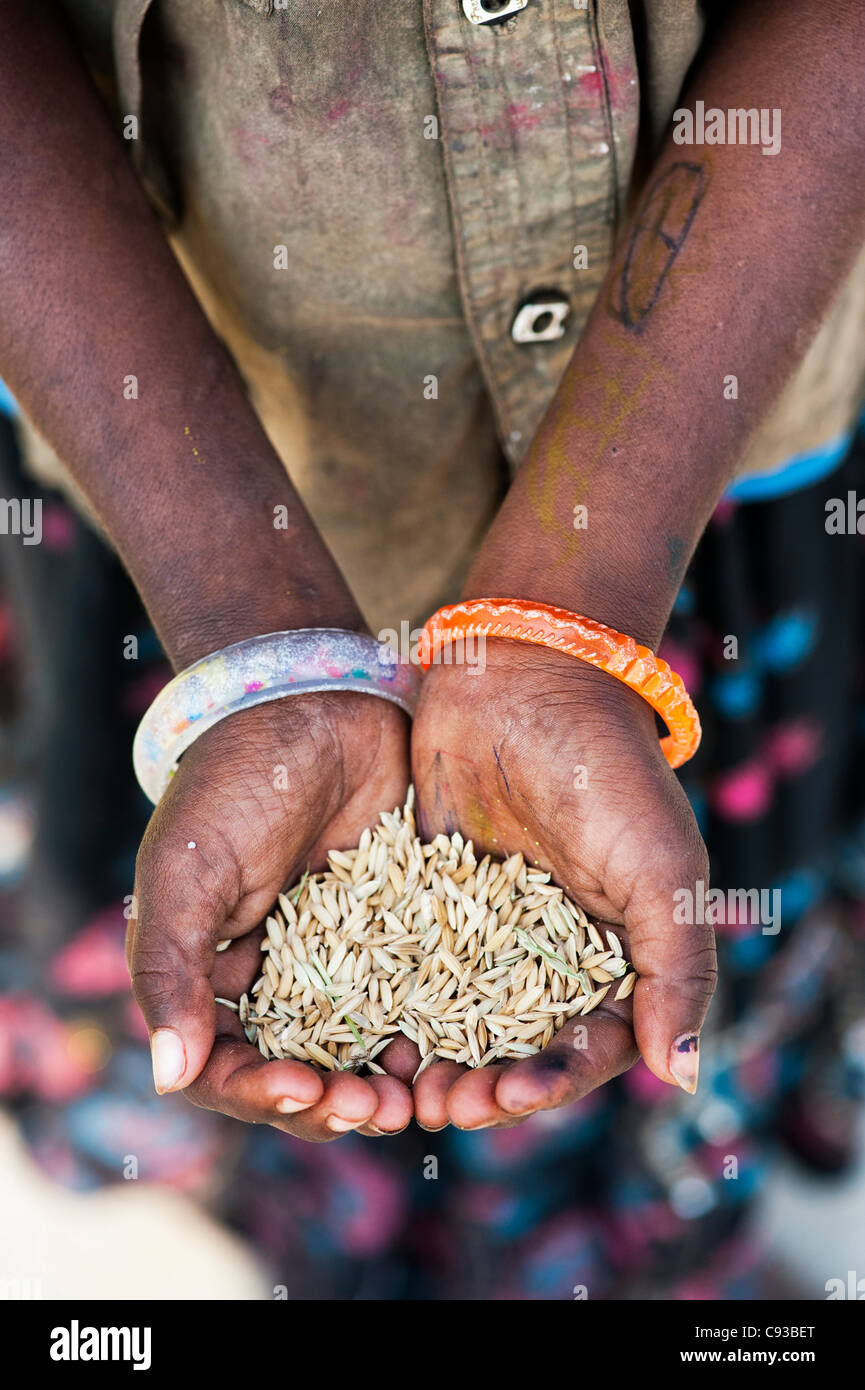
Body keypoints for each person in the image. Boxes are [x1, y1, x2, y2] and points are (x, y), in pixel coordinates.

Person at [1, 0, 864, 1297]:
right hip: (163, 471)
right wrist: (248, 630)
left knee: (651, 952)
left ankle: (619, 1241)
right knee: (281, 1017)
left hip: (712, 422)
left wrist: (571, 604)